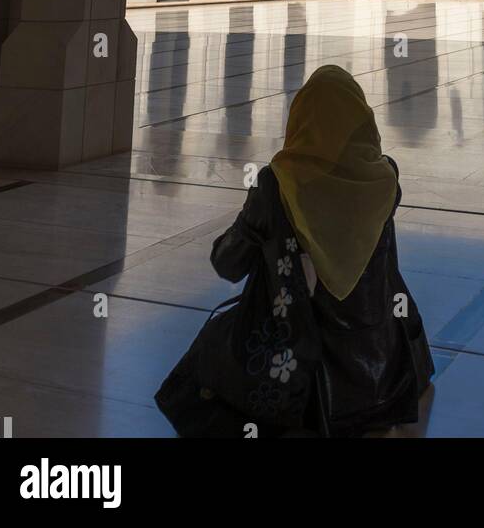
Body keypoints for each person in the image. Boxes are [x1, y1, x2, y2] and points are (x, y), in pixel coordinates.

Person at [155, 65, 433, 437]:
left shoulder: (279, 183)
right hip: (383, 363)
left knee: (210, 353)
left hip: (301, 368)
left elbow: (228, 263)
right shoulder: (384, 178)